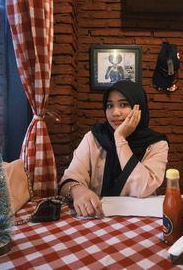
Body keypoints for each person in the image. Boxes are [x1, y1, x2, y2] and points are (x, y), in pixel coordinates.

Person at [59, 80, 169, 217]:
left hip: (140, 221)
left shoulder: (156, 144)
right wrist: (77, 191)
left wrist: (120, 139)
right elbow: (68, 180)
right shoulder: (94, 137)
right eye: (109, 105)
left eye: (123, 104)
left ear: (139, 108)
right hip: (96, 218)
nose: (115, 112)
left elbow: (143, 188)